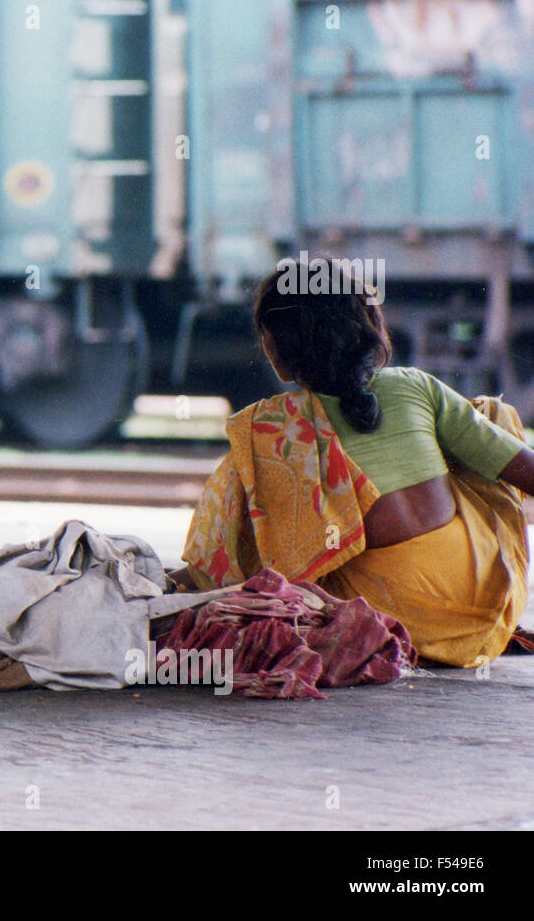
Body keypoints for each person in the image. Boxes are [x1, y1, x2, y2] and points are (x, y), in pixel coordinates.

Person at [175, 258, 534, 668]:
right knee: (491, 417)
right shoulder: (417, 386)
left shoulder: (270, 427)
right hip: (484, 610)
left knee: (259, 497)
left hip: (387, 620)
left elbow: (237, 552)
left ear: (275, 351)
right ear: (370, 329)